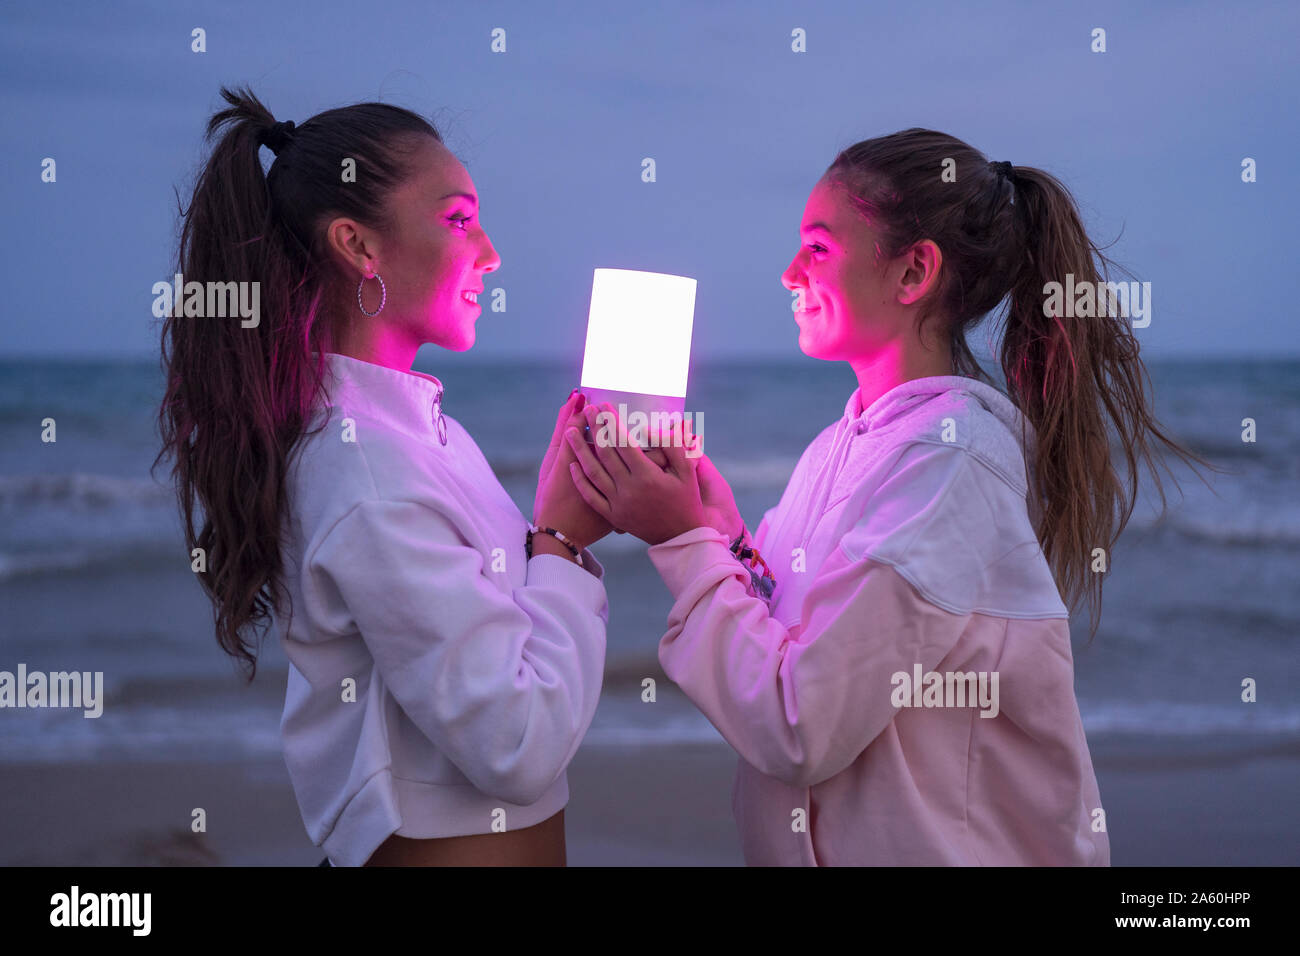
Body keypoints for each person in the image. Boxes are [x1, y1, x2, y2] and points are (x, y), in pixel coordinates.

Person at [565, 128, 1215, 865]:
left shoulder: (952, 463)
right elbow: (796, 644)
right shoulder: (845, 448)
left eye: (817, 247)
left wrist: (684, 545)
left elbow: (802, 722)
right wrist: (724, 536)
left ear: (913, 274)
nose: (787, 273)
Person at [155, 86, 612, 866]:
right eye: (459, 219)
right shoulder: (366, 470)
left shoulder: (417, 434)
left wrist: (553, 519)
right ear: (358, 246)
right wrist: (563, 540)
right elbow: (519, 744)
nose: (491, 253)